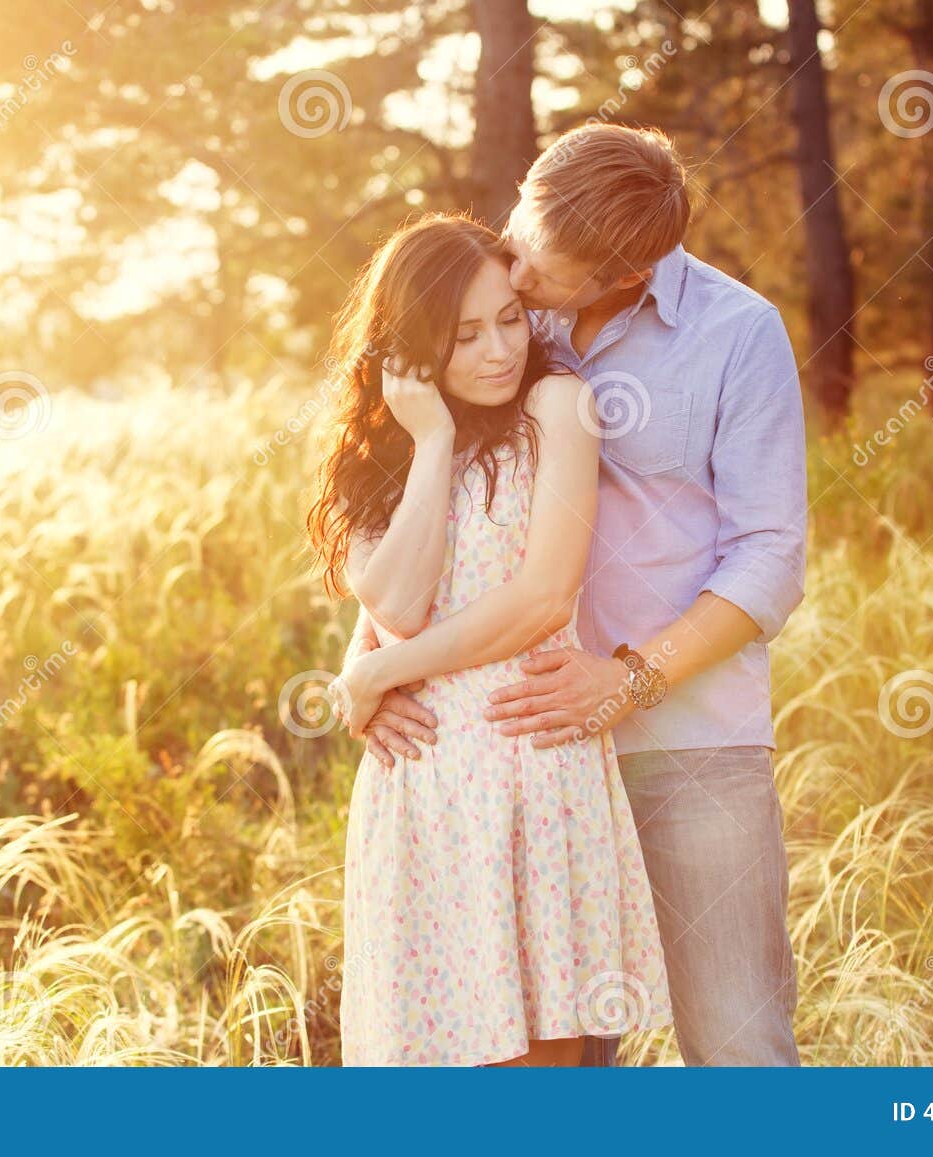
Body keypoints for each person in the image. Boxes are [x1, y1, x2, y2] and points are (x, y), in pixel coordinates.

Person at [341, 124, 809, 1066]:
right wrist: (368, 660)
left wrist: (628, 680)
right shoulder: (508, 317)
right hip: (521, 751)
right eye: (517, 232)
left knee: (735, 1039)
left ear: (624, 273)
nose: (513, 274)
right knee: (564, 1054)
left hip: (681, 739)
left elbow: (769, 559)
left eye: (540, 276)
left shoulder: (737, 334)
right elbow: (449, 516)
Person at [307, 212, 672, 1066]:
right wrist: (431, 441)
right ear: (409, 352)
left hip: (530, 768)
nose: (500, 350)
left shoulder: (557, 405)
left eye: (510, 318)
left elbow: (544, 598)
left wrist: (377, 673)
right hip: (424, 795)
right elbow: (397, 601)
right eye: (463, 335)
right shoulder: (375, 456)